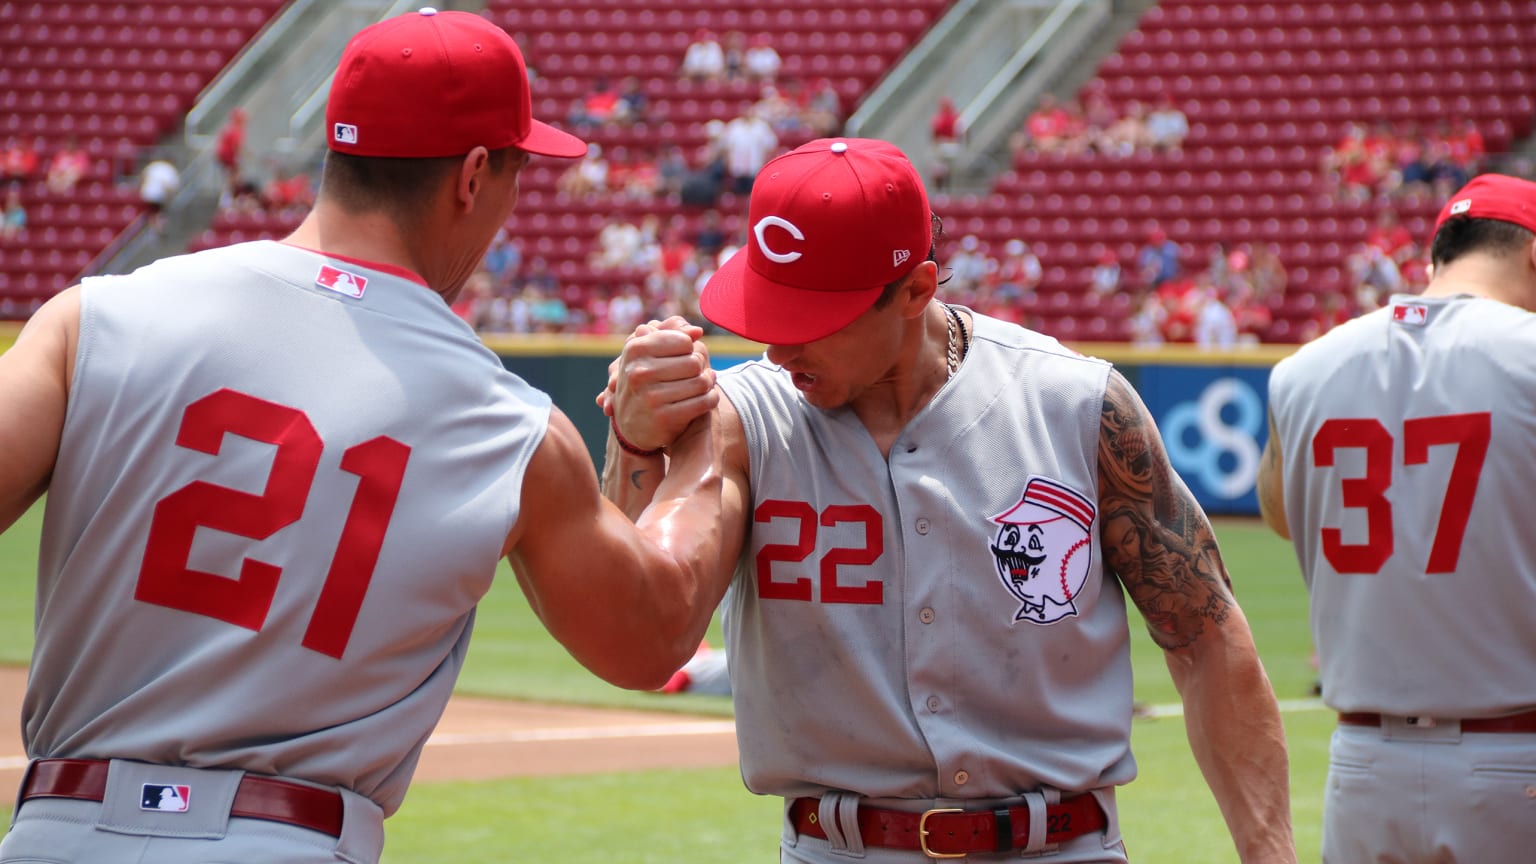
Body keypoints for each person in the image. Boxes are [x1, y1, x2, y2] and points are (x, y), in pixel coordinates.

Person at [0, 10, 727, 864]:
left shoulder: (95, 315)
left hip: (57, 832)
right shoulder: (506, 423)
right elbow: (647, 641)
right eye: (516, 174)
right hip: (283, 840)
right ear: (474, 175)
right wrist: (674, 453)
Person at [599, 138, 1296, 863]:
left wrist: (1269, 851)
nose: (778, 348)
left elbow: (1206, 635)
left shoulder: (1076, 405)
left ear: (916, 290)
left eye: (812, 318)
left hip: (1061, 847)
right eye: (771, 310)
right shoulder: (742, 421)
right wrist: (633, 442)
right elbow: (645, 641)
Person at [1257, 173, 1536, 864]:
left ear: (1436, 254)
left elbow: (1281, 514)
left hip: (1363, 766)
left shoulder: (1304, 369)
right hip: (1513, 759)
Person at [138, 157, 180, 232]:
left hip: (147, 194)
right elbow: (170, 187)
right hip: (158, 196)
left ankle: (154, 227)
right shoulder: (169, 170)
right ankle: (157, 228)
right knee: (158, 213)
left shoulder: (154, 165)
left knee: (153, 212)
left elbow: (143, 177)